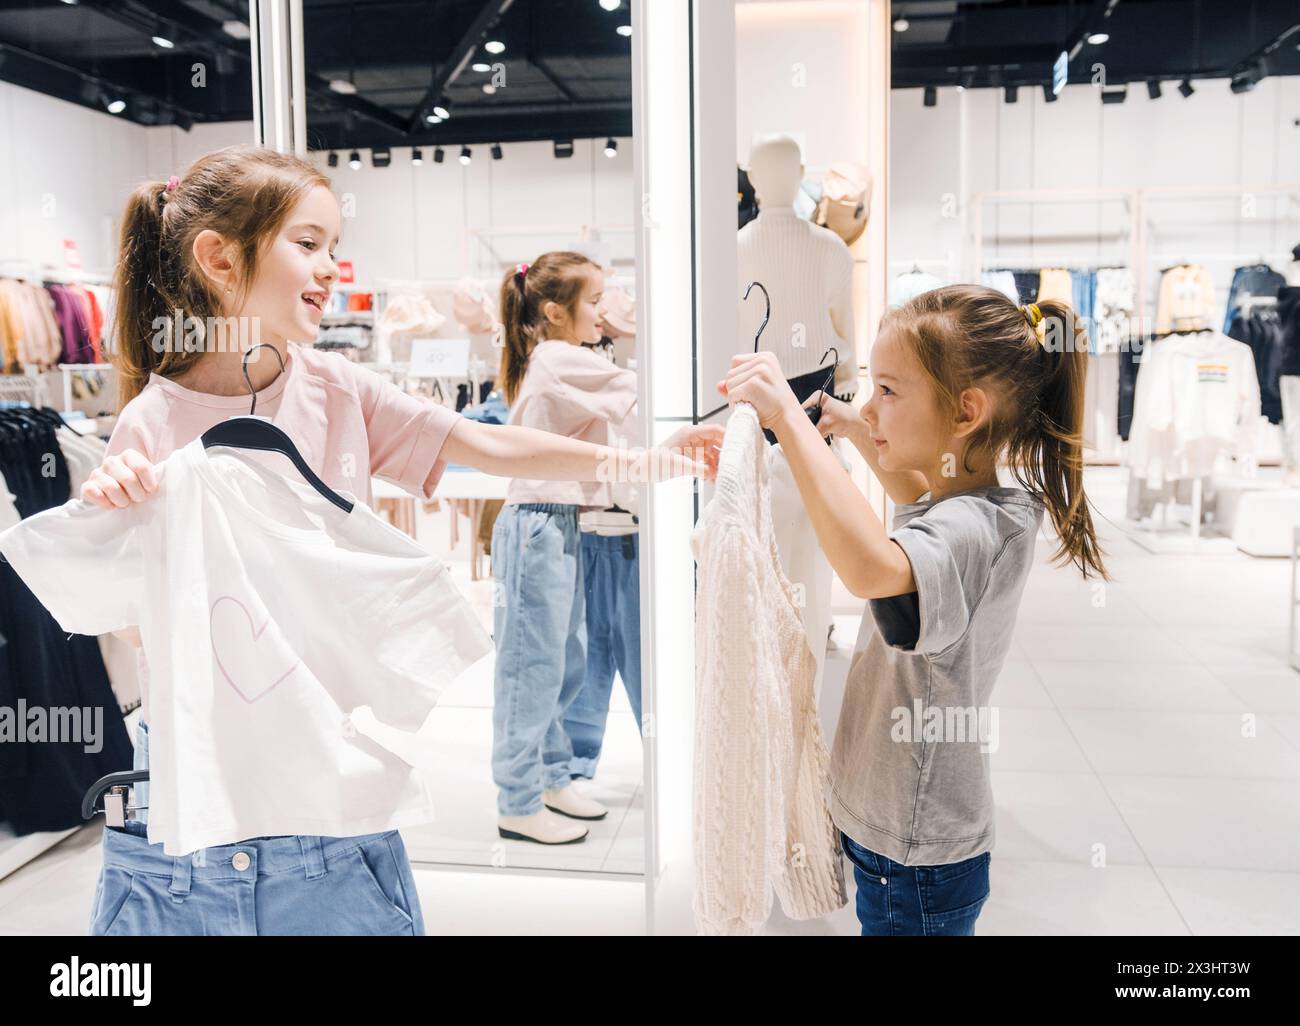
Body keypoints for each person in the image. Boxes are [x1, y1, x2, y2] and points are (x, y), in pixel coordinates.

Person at [77, 144, 721, 935]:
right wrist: (118, 520)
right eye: (308, 245)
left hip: (328, 760)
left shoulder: (337, 390)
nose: (329, 270)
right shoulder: (151, 423)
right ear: (218, 257)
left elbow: (484, 445)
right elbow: (129, 625)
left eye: (334, 249)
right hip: (197, 770)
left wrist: (640, 460)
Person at [719, 286, 1108, 936]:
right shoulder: (965, 494)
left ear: (966, 413)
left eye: (889, 392)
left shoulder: (975, 529)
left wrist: (788, 419)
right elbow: (911, 492)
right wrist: (856, 427)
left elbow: (875, 568)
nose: (871, 405)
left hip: (918, 852)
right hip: (895, 830)